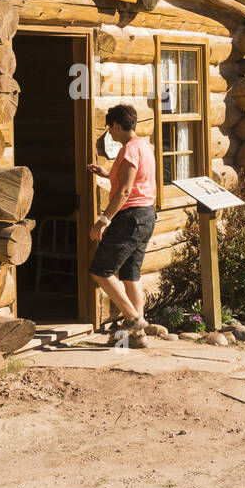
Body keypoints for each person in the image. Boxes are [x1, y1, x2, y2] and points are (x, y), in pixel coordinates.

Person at [86, 103, 157, 347]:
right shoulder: (142, 146)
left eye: (110, 128)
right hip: (147, 215)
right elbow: (133, 180)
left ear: (116, 126)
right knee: (130, 275)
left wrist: (103, 220)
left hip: (131, 217)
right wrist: (106, 173)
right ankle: (138, 337)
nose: (110, 132)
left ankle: (133, 319)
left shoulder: (128, 150)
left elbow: (125, 191)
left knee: (100, 271)